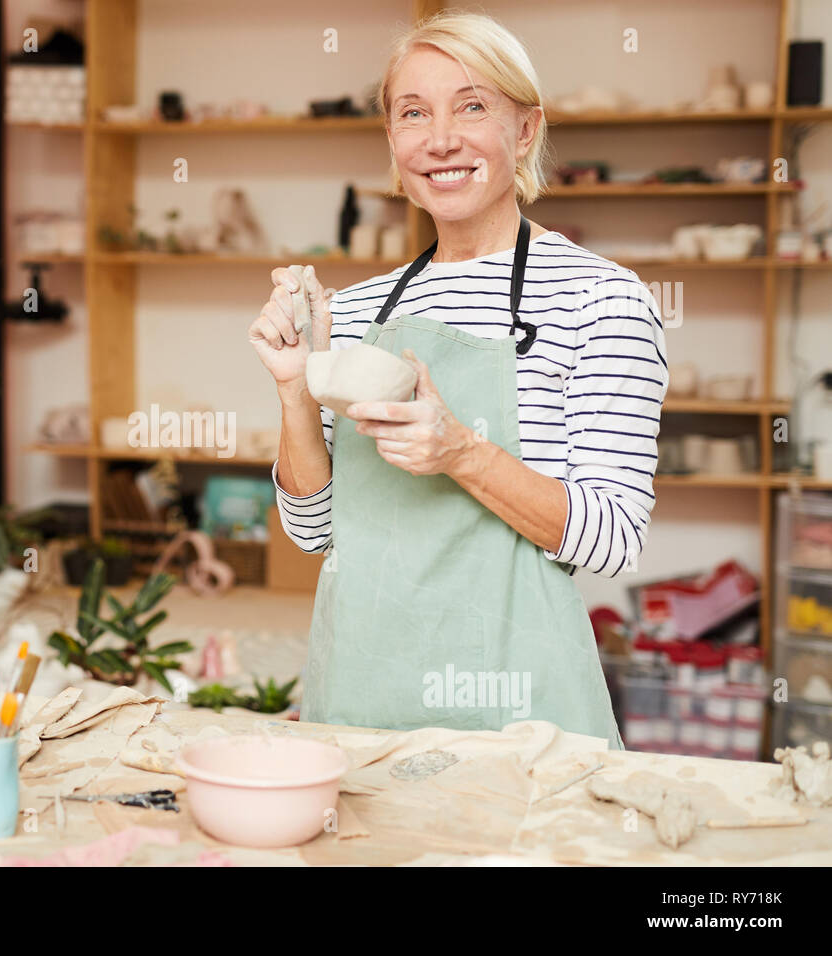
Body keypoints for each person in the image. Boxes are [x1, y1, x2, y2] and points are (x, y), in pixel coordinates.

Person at [247, 11, 667, 747]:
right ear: (392, 140)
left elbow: (612, 540)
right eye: (413, 114)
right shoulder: (358, 310)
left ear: (526, 130)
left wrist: (460, 453)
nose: (440, 140)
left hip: (522, 720)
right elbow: (315, 532)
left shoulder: (601, 298)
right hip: (361, 705)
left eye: (472, 106)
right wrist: (294, 385)